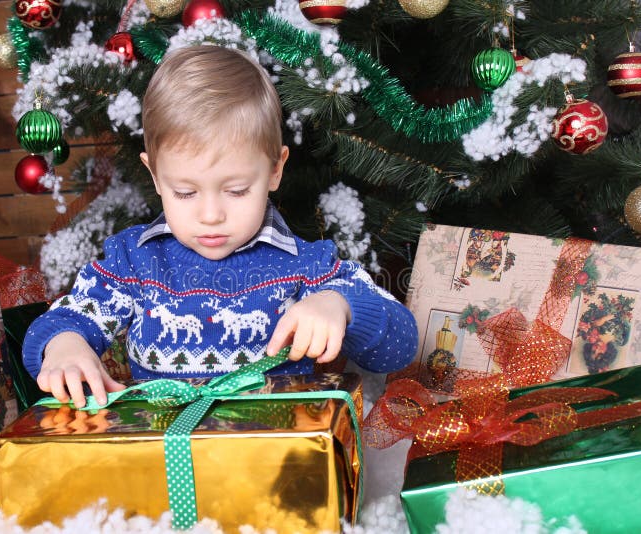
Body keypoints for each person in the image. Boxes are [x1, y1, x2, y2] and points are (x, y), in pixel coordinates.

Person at [23, 45, 418, 408]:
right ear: (156, 176)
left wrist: (341, 306)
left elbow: (401, 346)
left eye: (236, 190)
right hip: (166, 458)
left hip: (274, 456)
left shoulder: (306, 265)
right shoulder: (133, 262)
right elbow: (63, 320)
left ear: (275, 170)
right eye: (185, 192)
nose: (211, 214)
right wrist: (64, 347)